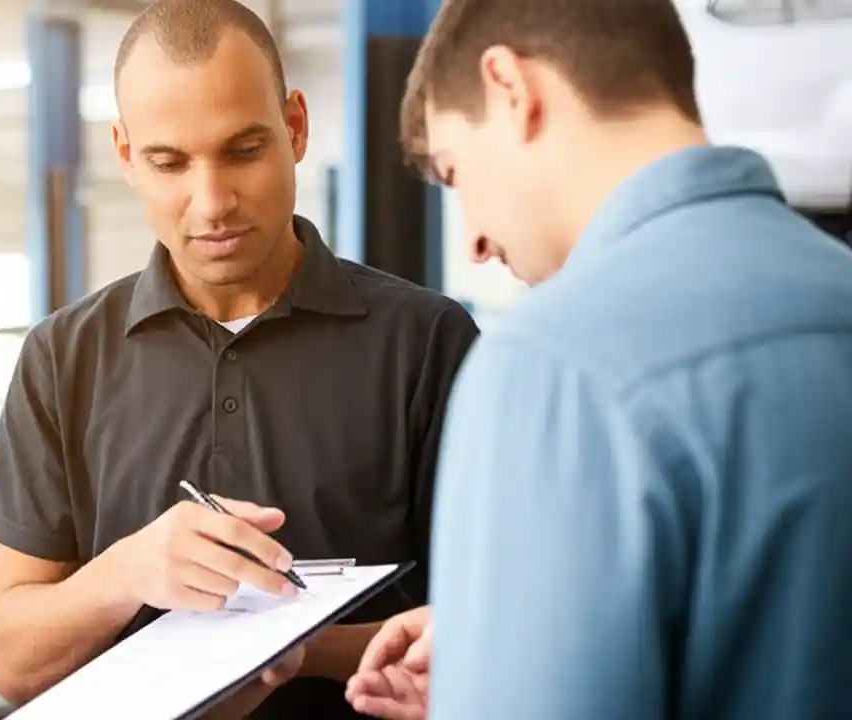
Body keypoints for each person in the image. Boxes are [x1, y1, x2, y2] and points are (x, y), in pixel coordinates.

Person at [347, 0, 852, 718]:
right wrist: (510, 647)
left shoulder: (551, 365)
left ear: (510, 89)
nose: (474, 243)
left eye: (454, 173)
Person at [0, 0, 478, 717]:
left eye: (243, 150)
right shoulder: (61, 357)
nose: (211, 202)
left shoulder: (428, 342)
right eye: (169, 162)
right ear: (126, 154)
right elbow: (13, 664)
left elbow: (490, 623)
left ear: (295, 127)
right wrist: (129, 570)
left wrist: (288, 642)